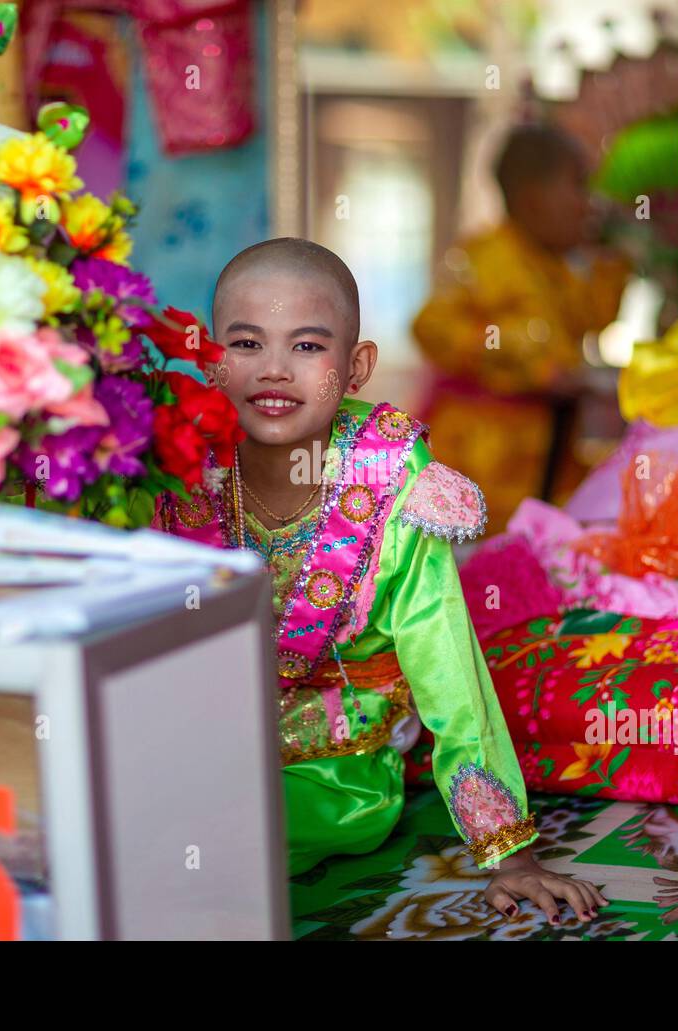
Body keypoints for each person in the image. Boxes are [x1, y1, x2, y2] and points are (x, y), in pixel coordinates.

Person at [155, 237, 608, 924]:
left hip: (333, 768)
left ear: (357, 367)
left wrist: (508, 853)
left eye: (307, 347)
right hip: (197, 739)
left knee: (195, 833)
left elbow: (448, 665)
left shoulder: (393, 478)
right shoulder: (181, 462)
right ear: (211, 357)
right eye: (246, 344)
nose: (274, 371)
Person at [411, 123, 630, 534]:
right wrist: (524, 354)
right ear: (531, 202)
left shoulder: (566, 266)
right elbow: (431, 326)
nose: (590, 205)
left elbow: (597, 318)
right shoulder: (484, 258)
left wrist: (610, 261)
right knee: (483, 551)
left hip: (550, 444)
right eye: (579, 187)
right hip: (484, 452)